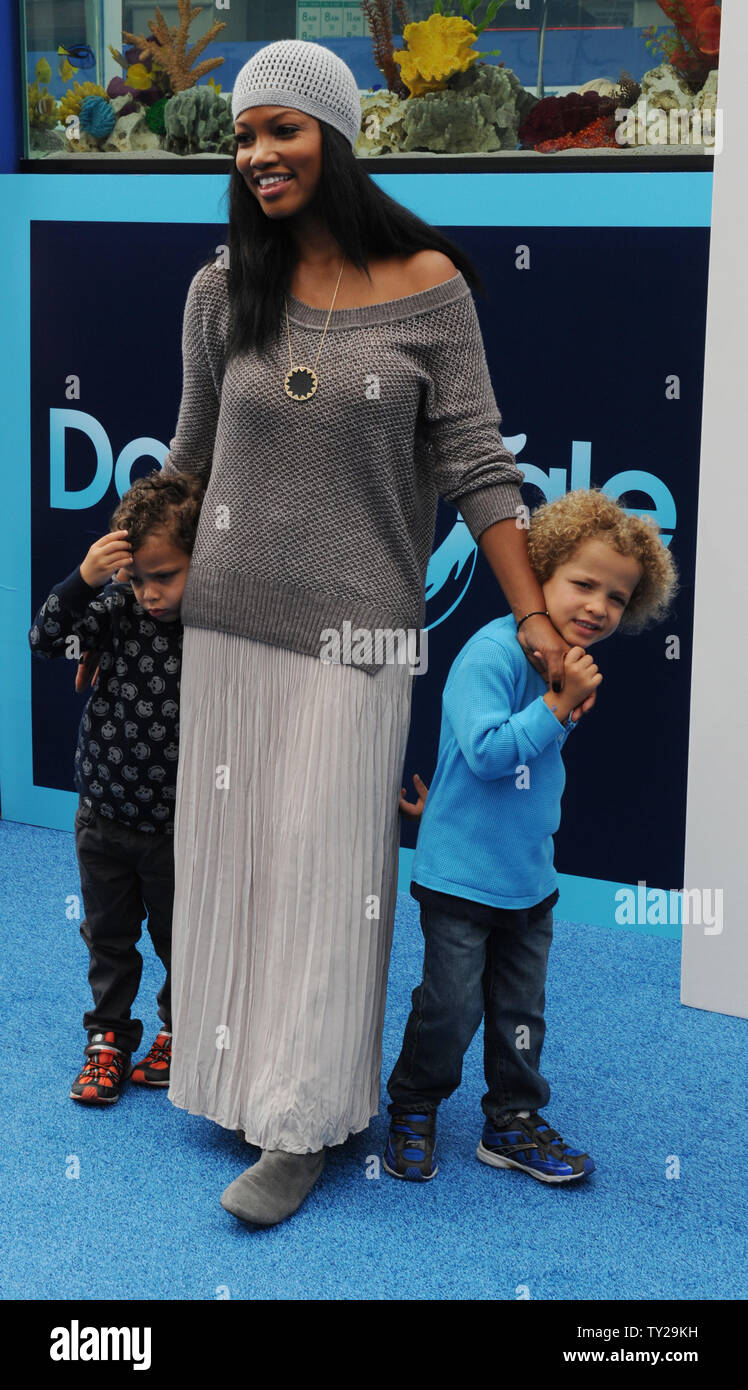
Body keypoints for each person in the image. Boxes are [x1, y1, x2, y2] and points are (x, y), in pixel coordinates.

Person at [160, 39, 576, 1229]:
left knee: (328, 872)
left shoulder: (428, 284)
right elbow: (188, 460)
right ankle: (239, 1081)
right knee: (239, 870)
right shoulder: (217, 289)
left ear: (334, 139)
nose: (257, 156)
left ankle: (299, 1121)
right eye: (242, 138)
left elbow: (481, 467)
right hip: (229, 625)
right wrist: (128, 559)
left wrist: (535, 614)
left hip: (360, 640)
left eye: (280, 131)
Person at [385, 488, 678, 1183]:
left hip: (530, 881)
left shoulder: (569, 670)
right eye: (583, 584)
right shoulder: (491, 654)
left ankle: (512, 1120)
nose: (598, 607)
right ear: (538, 573)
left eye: (616, 596)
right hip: (458, 879)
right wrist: (558, 705)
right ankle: (415, 1103)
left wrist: (559, 701)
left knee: (521, 1013)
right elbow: (487, 753)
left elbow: (520, 768)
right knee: (449, 1008)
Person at [28, 471, 205, 1103]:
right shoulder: (116, 606)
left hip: (177, 829)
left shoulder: (213, 628)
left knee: (181, 938)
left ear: (200, 560)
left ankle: (179, 1028)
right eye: (139, 577)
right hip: (101, 816)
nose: (151, 593)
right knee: (107, 936)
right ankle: (107, 1037)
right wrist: (86, 580)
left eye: (166, 576)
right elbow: (46, 640)